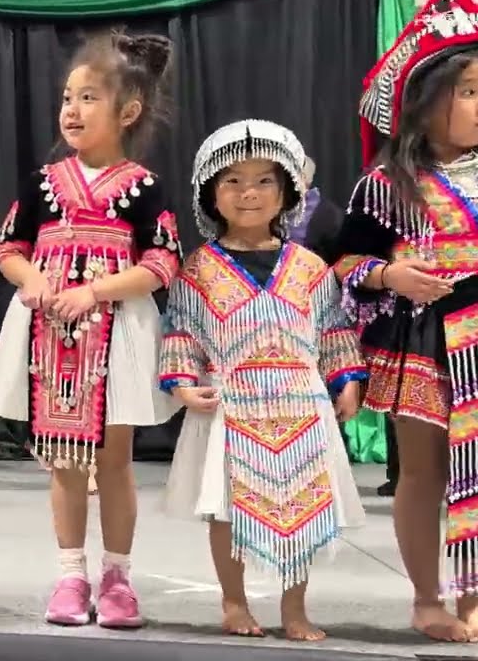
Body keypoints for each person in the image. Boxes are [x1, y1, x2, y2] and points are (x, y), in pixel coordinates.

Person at [0, 31, 180, 628]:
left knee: (116, 458)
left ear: (128, 111)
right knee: (64, 462)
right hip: (50, 336)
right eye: (67, 98)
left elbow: (161, 263)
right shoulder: (43, 183)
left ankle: (118, 576)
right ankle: (71, 573)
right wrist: (34, 280)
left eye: (89, 98)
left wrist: (94, 290)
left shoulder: (144, 188)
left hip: (116, 334)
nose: (71, 110)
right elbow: (8, 247)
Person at [161, 119, 366, 641]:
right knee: (227, 510)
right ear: (211, 193)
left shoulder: (312, 268)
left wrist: (346, 377)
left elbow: (333, 329)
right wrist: (183, 383)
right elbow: (180, 332)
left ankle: (294, 609)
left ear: (287, 191)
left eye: (264, 181)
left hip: (301, 406)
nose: (248, 192)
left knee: (301, 506)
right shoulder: (198, 268)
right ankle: (233, 602)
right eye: (232, 180)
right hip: (230, 405)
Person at [333, 0, 478, 642]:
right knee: (424, 471)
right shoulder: (387, 186)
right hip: (426, 338)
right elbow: (341, 267)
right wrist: (391, 271)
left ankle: (473, 598)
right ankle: (427, 597)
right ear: (422, 105)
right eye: (470, 93)